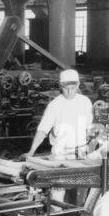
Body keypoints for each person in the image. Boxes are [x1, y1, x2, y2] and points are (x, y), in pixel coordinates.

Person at [26, 68, 96, 204]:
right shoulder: (55, 105)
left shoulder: (85, 102)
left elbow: (89, 129)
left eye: (73, 87)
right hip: (60, 155)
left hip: (80, 154)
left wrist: (92, 151)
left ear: (78, 84)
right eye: (66, 88)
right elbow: (42, 130)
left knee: (80, 195)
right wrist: (31, 152)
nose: (70, 92)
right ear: (60, 86)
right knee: (57, 195)